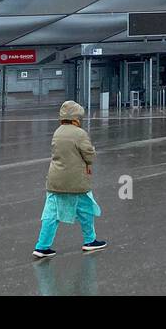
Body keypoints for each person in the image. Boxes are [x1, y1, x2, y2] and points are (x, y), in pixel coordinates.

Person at [33, 100, 107, 259]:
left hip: (55, 180)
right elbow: (89, 156)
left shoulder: (57, 132)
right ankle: (90, 240)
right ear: (76, 118)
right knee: (86, 210)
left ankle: (42, 246)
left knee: (51, 215)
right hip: (76, 181)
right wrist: (92, 151)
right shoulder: (79, 133)